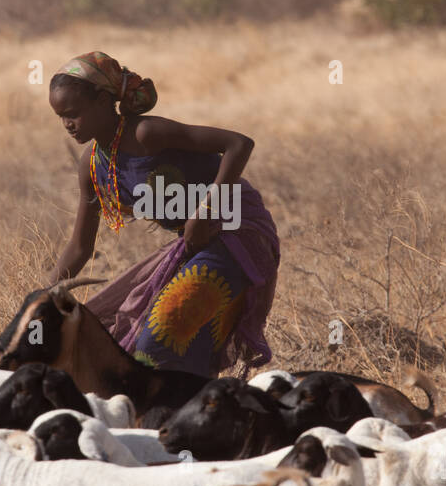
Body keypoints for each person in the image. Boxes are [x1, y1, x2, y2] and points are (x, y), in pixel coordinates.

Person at [45, 51, 280, 378]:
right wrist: (45, 295)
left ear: (102, 100)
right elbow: (81, 247)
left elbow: (239, 144)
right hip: (195, 244)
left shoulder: (146, 134)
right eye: (61, 117)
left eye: (73, 114)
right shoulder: (92, 165)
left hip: (238, 231)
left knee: (159, 333)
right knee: (104, 329)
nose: (67, 124)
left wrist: (207, 208)